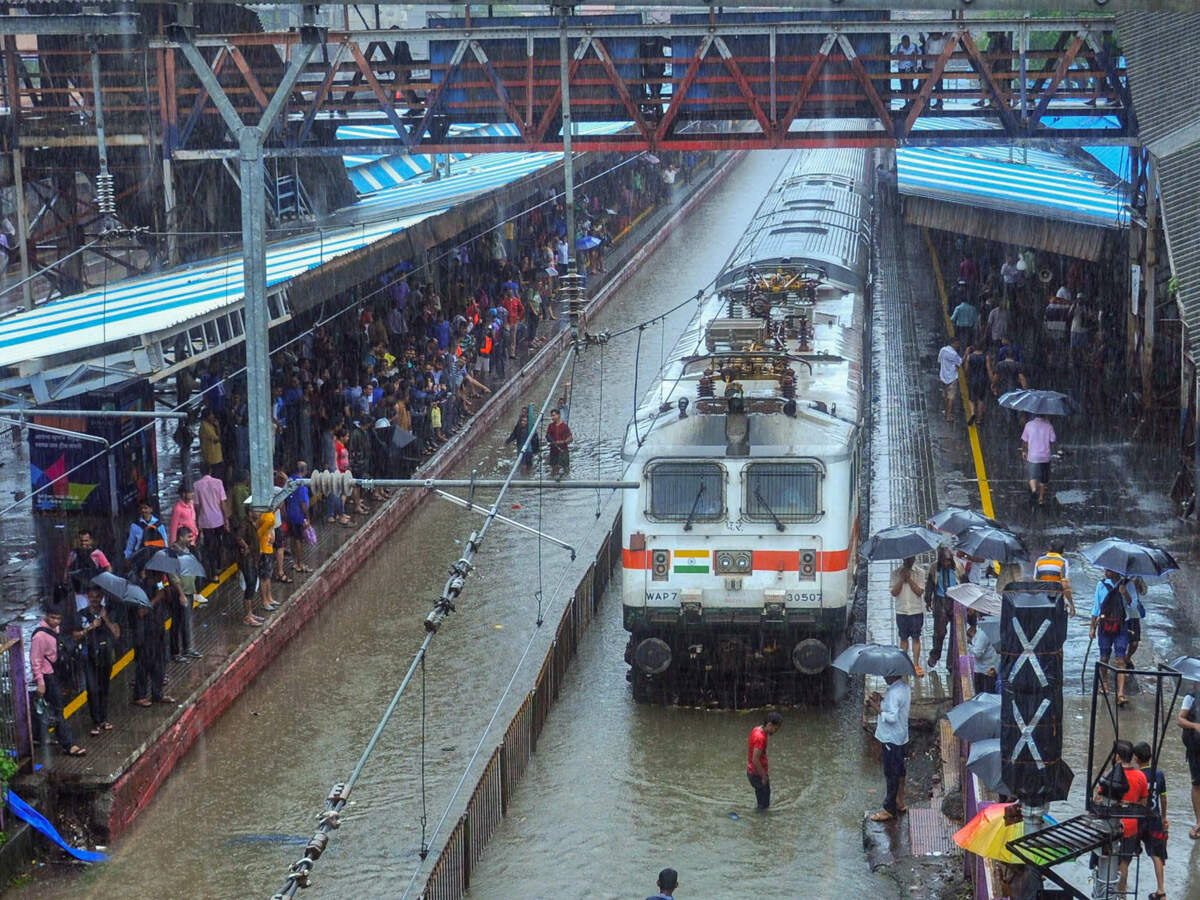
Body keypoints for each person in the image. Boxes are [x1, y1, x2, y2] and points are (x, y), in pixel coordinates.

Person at [30, 608, 85, 756]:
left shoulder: (57, 629)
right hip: (47, 676)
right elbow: (35, 661)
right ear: (46, 616)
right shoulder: (39, 636)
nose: (56, 621)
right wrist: (40, 682)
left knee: (46, 708)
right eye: (53, 618)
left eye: (58, 618)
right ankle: (69, 744)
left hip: (55, 674)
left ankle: (37, 736)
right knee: (58, 710)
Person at [74, 585, 119, 736]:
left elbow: (116, 634)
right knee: (92, 689)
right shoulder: (82, 614)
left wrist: (105, 619)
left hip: (105, 656)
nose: (94, 600)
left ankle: (103, 719)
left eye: (97, 597)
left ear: (102, 598)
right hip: (89, 657)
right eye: (92, 596)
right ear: (87, 597)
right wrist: (90, 628)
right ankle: (95, 721)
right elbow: (75, 636)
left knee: (104, 688)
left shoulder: (109, 613)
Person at [868, 673, 911, 822]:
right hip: (901, 736)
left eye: (886, 674)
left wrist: (877, 708)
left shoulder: (893, 692)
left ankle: (889, 809)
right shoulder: (904, 688)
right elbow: (896, 708)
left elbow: (891, 717)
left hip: (890, 738)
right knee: (899, 769)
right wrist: (883, 700)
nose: (884, 676)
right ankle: (900, 801)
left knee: (891, 772)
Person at [1132, 741, 1168, 900]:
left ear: (1136, 758)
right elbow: (1163, 798)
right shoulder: (1159, 774)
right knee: (1157, 855)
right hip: (1155, 819)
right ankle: (1161, 890)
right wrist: (1165, 817)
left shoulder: (1136, 775)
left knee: (1125, 854)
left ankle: (1120, 889)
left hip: (1138, 820)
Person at [132, 575, 174, 707]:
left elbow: (169, 600)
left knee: (159, 664)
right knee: (144, 665)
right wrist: (157, 598)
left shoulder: (160, 584)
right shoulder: (140, 588)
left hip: (158, 630)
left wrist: (165, 591)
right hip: (145, 634)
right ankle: (140, 695)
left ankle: (158, 693)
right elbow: (141, 612)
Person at [1091, 570, 1130, 705]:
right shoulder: (1101, 585)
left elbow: (1133, 606)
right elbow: (1096, 607)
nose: (1106, 572)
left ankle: (1120, 693)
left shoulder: (1127, 585)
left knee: (1120, 659)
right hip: (1105, 625)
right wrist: (1092, 628)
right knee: (1104, 658)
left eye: (1109, 569)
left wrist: (1125, 593)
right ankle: (1105, 683)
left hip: (1121, 626)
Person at [193, 463, 230, 589]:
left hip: (205, 521)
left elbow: (197, 506)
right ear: (210, 471)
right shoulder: (218, 483)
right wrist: (226, 519)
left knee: (210, 547)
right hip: (218, 519)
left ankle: (214, 573)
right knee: (219, 543)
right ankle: (219, 566)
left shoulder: (197, 485)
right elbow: (223, 502)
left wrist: (196, 520)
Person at [890, 556, 926, 677]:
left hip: (916, 610)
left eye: (911, 559)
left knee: (916, 638)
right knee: (903, 638)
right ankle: (904, 664)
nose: (909, 562)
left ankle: (916, 664)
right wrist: (901, 580)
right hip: (902, 611)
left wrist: (910, 580)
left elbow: (920, 592)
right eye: (906, 560)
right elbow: (894, 592)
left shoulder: (920, 573)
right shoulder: (895, 573)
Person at [925, 547, 957, 674]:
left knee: (955, 635)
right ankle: (935, 655)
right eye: (944, 561)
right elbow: (930, 584)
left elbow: (966, 583)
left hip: (955, 600)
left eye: (949, 561)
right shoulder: (934, 568)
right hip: (940, 601)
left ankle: (951, 663)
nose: (946, 564)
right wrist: (928, 600)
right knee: (939, 632)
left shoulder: (958, 567)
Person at [63, 528, 111, 610]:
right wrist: (65, 580)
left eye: (86, 540)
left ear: (91, 540)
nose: (83, 543)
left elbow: (108, 567)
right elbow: (67, 568)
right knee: (83, 613)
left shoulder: (97, 553)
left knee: (99, 613)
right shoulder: (73, 553)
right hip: (80, 588)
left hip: (95, 589)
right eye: (81, 541)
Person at [1177, 686, 1200, 840]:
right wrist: (1195, 725)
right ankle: (1199, 822)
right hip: (1196, 748)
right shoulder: (1191, 697)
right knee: (1197, 784)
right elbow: (1180, 719)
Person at [747, 711, 782, 811]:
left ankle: (758, 820)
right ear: (770, 725)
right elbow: (755, 759)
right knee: (764, 806)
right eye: (775, 728)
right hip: (757, 774)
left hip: (752, 772)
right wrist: (763, 776)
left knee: (760, 803)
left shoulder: (757, 729)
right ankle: (761, 823)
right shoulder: (760, 738)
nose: (776, 731)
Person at [1020, 413, 1056, 507]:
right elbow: (1053, 439)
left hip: (1032, 456)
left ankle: (1034, 490)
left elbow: (1025, 440)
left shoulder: (1029, 424)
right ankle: (1041, 498)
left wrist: (1024, 451)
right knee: (1043, 479)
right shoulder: (1048, 425)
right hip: (1045, 456)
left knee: (1032, 476)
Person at [1033, 540, 1076, 616]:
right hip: (1057, 601)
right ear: (1062, 550)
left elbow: (1035, 582)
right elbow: (1065, 586)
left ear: (1050, 549)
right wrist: (1071, 605)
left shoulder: (1039, 560)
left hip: (1042, 601)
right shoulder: (1063, 562)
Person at [123, 499, 168, 572]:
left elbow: (165, 542)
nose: (143, 510)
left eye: (145, 508)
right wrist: (127, 557)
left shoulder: (159, 525)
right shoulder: (135, 526)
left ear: (151, 509)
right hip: (140, 559)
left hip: (156, 557)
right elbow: (130, 543)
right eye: (141, 508)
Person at [285, 462, 313, 575]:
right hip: (298, 516)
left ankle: (294, 561)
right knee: (298, 539)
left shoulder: (290, 479)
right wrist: (307, 517)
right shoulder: (301, 484)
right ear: (304, 471)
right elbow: (303, 504)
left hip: (290, 513)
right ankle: (299, 564)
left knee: (292, 537)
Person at [968, 614, 1000, 695]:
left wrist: (968, 645)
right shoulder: (995, 627)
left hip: (983, 671)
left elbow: (977, 653)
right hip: (992, 667)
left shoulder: (984, 632)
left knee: (982, 696)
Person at [505, 407, 541, 475]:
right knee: (522, 465)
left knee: (528, 465)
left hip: (529, 450)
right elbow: (514, 434)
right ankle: (523, 477)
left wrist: (536, 450)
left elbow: (536, 439)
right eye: (522, 421)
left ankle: (527, 476)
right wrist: (508, 441)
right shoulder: (518, 427)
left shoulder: (531, 428)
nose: (523, 422)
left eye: (524, 421)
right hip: (521, 448)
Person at [937, 338, 963, 422]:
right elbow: (960, 363)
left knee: (945, 396)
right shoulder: (954, 354)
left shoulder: (943, 350)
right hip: (952, 378)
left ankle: (946, 411)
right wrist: (966, 353)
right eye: (957, 344)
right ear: (953, 343)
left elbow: (939, 361)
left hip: (943, 377)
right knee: (951, 398)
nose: (958, 346)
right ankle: (948, 416)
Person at [964, 344, 990, 426]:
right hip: (982, 380)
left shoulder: (970, 357)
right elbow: (988, 369)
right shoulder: (986, 357)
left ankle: (972, 413)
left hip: (972, 379)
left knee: (971, 399)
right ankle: (979, 419)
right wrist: (992, 380)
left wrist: (966, 377)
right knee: (980, 399)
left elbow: (966, 369)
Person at [545, 407, 573, 479]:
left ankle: (568, 481)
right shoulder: (550, 426)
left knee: (566, 467)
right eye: (552, 415)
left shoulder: (564, 426)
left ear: (559, 415)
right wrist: (550, 440)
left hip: (563, 450)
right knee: (554, 468)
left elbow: (570, 438)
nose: (552, 417)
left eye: (554, 415)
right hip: (553, 450)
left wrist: (562, 442)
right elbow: (548, 436)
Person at [198, 408, 225, 480]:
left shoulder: (209, 425)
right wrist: (218, 427)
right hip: (212, 457)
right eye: (211, 415)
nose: (213, 416)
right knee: (215, 475)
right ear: (207, 416)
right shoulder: (205, 427)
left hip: (215, 455)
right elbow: (216, 439)